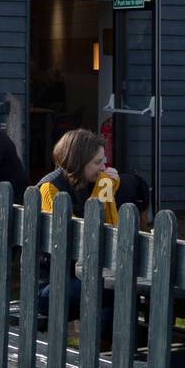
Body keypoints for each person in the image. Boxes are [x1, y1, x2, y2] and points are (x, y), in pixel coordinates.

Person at [36, 129, 118, 320]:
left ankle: (109, 347)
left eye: (103, 161)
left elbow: (112, 226)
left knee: (119, 292)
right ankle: (104, 347)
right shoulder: (50, 188)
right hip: (50, 285)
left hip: (81, 274)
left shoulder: (89, 181)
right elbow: (72, 243)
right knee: (112, 291)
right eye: (98, 162)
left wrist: (107, 188)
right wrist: (100, 191)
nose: (103, 167)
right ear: (78, 162)